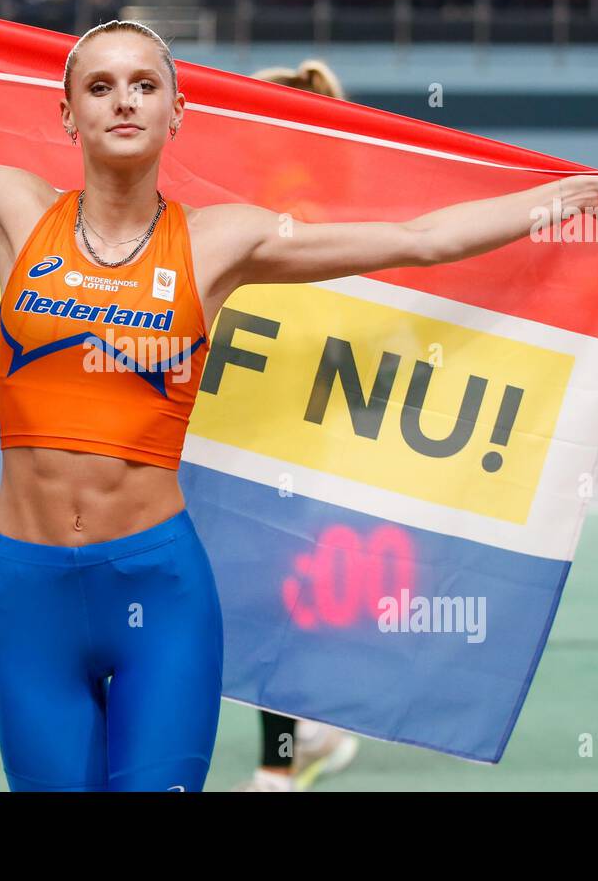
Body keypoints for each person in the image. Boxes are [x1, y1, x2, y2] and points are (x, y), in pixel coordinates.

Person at [0, 0, 598, 790]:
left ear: (177, 111)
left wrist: (570, 197)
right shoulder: (10, 207)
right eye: (100, 85)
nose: (122, 100)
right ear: (69, 111)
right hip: (26, 584)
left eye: (143, 84)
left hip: (159, 590)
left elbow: (420, 241)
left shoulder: (221, 240)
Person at [232, 57, 361, 792]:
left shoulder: (305, 207)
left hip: (281, 435)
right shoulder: (245, 195)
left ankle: (279, 759)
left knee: (259, 593)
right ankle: (299, 733)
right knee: (250, 592)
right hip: (226, 422)